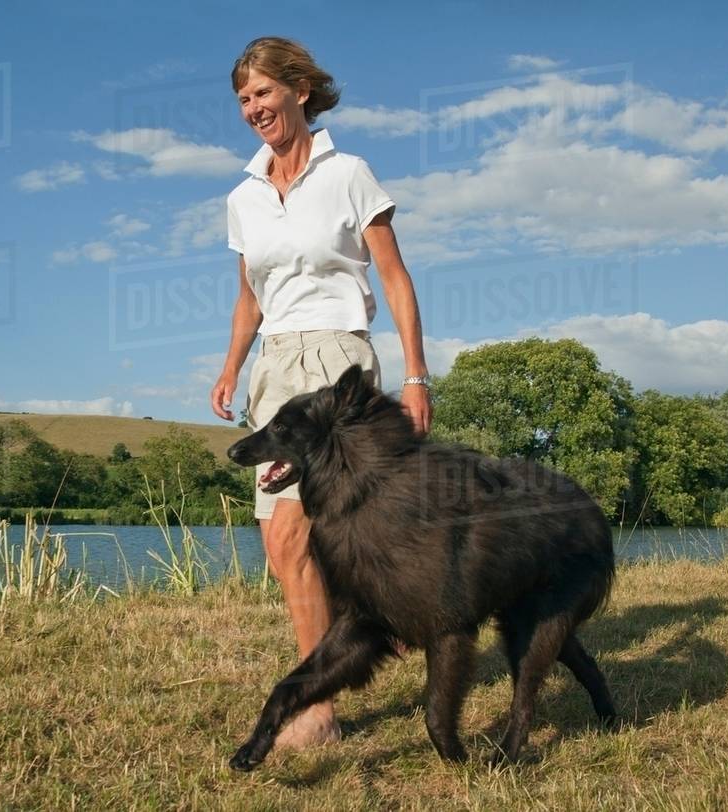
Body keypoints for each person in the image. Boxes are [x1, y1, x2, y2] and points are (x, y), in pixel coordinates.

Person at [211, 36, 433, 750]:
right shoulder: (242, 195)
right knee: (283, 536)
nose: (253, 109)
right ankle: (320, 705)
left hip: (340, 365)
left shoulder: (350, 174)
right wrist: (231, 365)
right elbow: (251, 294)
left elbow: (395, 278)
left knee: (361, 530)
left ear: (300, 91)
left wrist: (416, 374)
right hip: (277, 366)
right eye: (244, 99)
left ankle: (406, 624)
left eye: (264, 93)